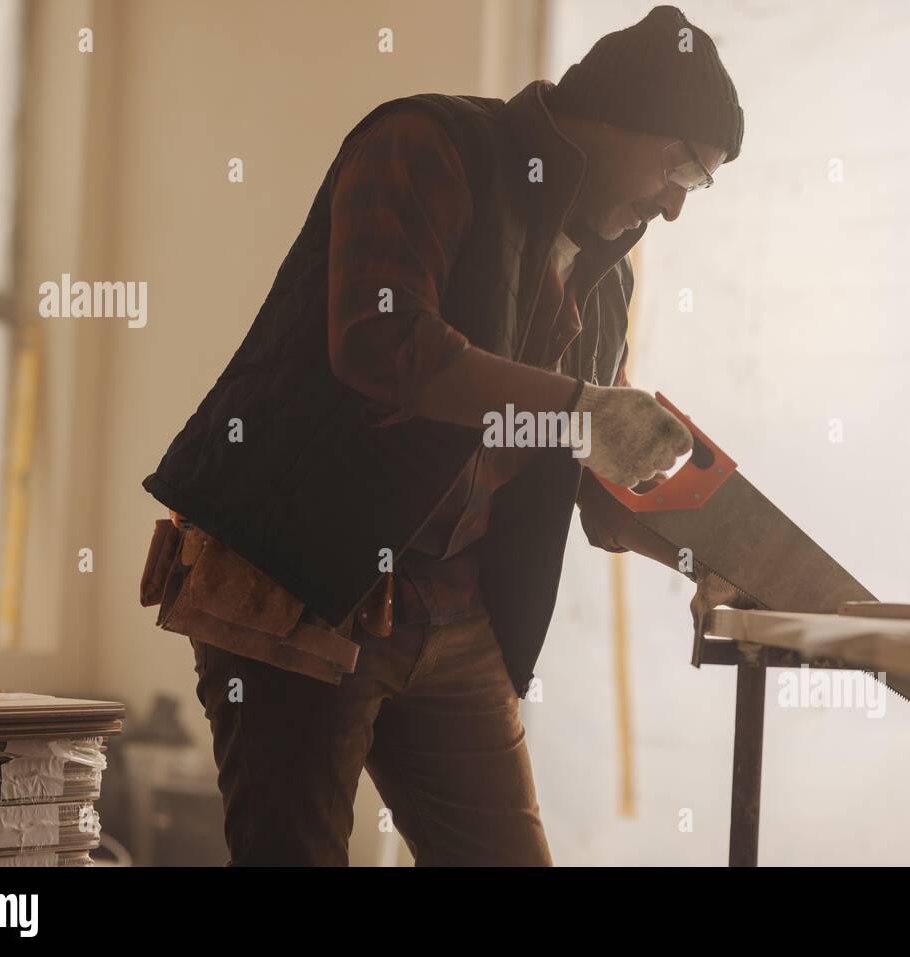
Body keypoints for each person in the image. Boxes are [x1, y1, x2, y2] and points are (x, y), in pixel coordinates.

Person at [141, 4, 743, 865]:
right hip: (300, 582)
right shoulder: (429, 144)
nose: (679, 205)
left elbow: (597, 496)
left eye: (703, 181)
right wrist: (580, 406)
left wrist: (704, 555)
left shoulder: (608, 276)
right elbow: (384, 346)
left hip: (451, 609)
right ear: (620, 114)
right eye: (682, 164)